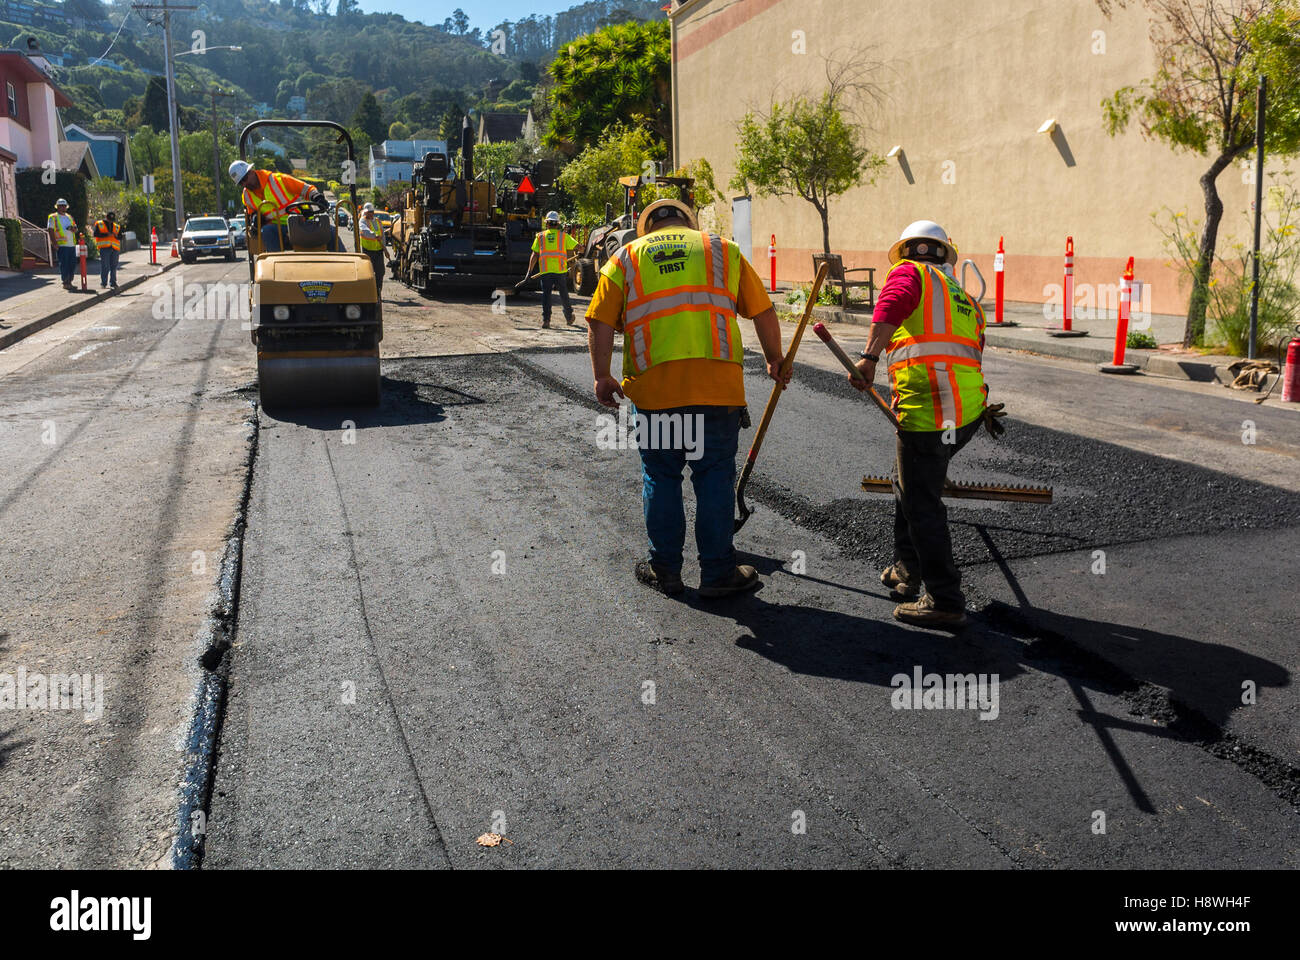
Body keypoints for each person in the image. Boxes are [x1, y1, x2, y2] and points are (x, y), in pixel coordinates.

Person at [586, 198, 789, 597]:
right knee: (714, 477)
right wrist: (775, 359)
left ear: (646, 228)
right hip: (717, 390)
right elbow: (763, 311)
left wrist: (601, 376)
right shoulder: (722, 249)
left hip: (655, 392)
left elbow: (599, 320)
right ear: (687, 222)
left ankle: (665, 570)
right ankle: (716, 574)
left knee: (661, 477)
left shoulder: (626, 257)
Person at [848, 220, 1005, 628]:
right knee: (910, 485)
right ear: (944, 254)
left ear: (907, 251)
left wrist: (867, 358)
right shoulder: (966, 297)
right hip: (969, 413)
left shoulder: (909, 273)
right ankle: (906, 570)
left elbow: (890, 305)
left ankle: (945, 598)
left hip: (930, 413)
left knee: (921, 502)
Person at [228, 160, 340, 252]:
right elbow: (251, 212)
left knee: (331, 232)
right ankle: (275, 267)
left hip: (302, 222)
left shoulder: (278, 180)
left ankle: (346, 269)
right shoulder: (247, 196)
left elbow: (306, 189)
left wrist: (317, 197)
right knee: (266, 231)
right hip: (278, 230)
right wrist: (255, 218)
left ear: (251, 171)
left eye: (245, 179)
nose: (244, 184)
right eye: (241, 183)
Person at [527, 210, 577, 328]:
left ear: (547, 223)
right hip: (560, 272)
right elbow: (578, 247)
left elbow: (534, 255)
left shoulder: (540, 236)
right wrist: (582, 250)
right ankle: (569, 317)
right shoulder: (563, 236)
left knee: (546, 295)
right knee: (564, 294)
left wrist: (529, 271)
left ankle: (546, 320)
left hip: (545, 272)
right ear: (557, 224)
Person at [46, 198, 78, 289]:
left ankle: (70, 281)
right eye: (60, 206)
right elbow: (50, 230)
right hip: (62, 245)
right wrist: (54, 242)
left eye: (64, 206)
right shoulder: (53, 217)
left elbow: (75, 228)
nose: (62, 207)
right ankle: (65, 282)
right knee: (64, 264)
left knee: (72, 264)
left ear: (66, 207)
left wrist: (73, 229)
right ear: (57, 207)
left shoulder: (70, 217)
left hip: (71, 244)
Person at [358, 202, 386, 297]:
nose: (367, 214)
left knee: (380, 272)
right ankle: (368, 293)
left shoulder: (378, 221)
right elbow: (364, 230)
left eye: (369, 212)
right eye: (366, 212)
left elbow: (383, 236)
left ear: (372, 212)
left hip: (378, 251)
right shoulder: (362, 221)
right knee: (368, 273)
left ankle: (378, 292)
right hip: (367, 252)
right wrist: (374, 235)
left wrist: (385, 249)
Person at [92, 211, 122, 289]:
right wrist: (106, 234)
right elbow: (95, 234)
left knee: (114, 266)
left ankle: (113, 282)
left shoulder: (116, 226)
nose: (110, 221)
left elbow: (121, 237)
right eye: (109, 219)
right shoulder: (99, 224)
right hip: (104, 248)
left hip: (115, 248)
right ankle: (104, 283)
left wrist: (116, 236)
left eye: (112, 220)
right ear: (106, 217)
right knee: (105, 266)